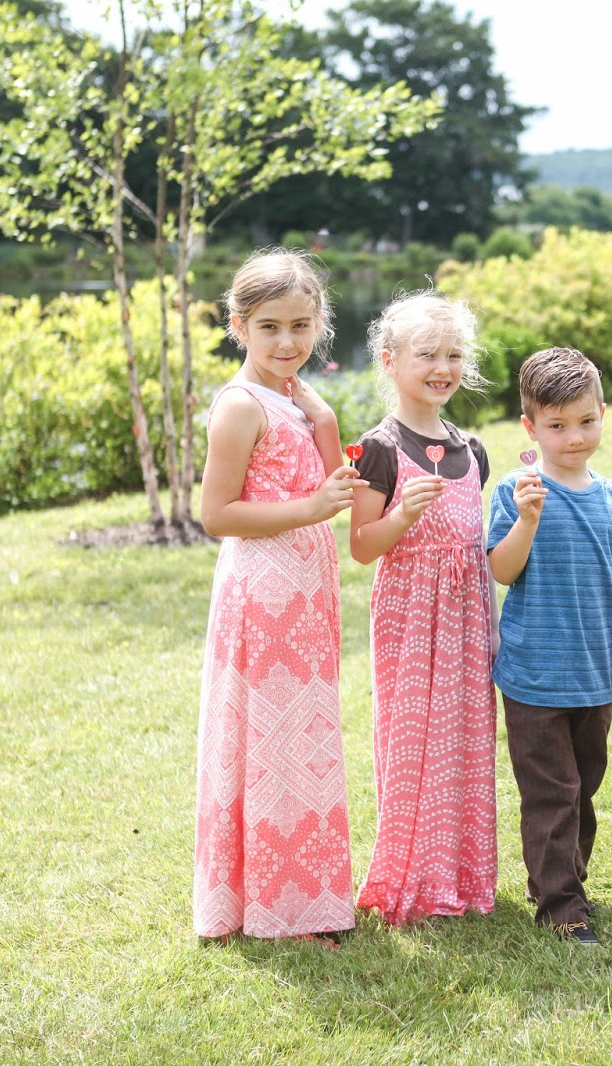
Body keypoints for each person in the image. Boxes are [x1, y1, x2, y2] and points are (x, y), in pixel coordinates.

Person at [193, 247, 365, 945]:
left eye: (301, 325)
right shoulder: (239, 408)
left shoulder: (295, 399)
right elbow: (216, 516)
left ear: (319, 324)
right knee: (274, 742)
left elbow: (337, 483)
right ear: (239, 326)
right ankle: (279, 908)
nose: (288, 342)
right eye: (270, 327)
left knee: (305, 734)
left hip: (307, 586)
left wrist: (322, 415)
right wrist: (308, 509)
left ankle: (300, 897)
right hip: (263, 592)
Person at [487, 347, 612, 945]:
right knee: (551, 792)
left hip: (592, 676)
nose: (574, 436)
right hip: (534, 675)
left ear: (603, 414)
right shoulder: (518, 490)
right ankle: (562, 905)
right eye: (557, 426)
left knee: (584, 786)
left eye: (586, 421)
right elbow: (502, 571)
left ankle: (562, 879)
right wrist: (527, 520)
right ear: (531, 429)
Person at [346, 291, 497, 926]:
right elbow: (360, 546)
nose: (442, 367)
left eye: (454, 354)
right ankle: (410, 878)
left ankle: (460, 879)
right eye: (426, 354)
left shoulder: (475, 450)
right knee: (412, 743)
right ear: (389, 361)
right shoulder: (376, 449)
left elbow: (475, 542)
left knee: (465, 742)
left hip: (466, 616)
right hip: (409, 617)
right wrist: (401, 515)